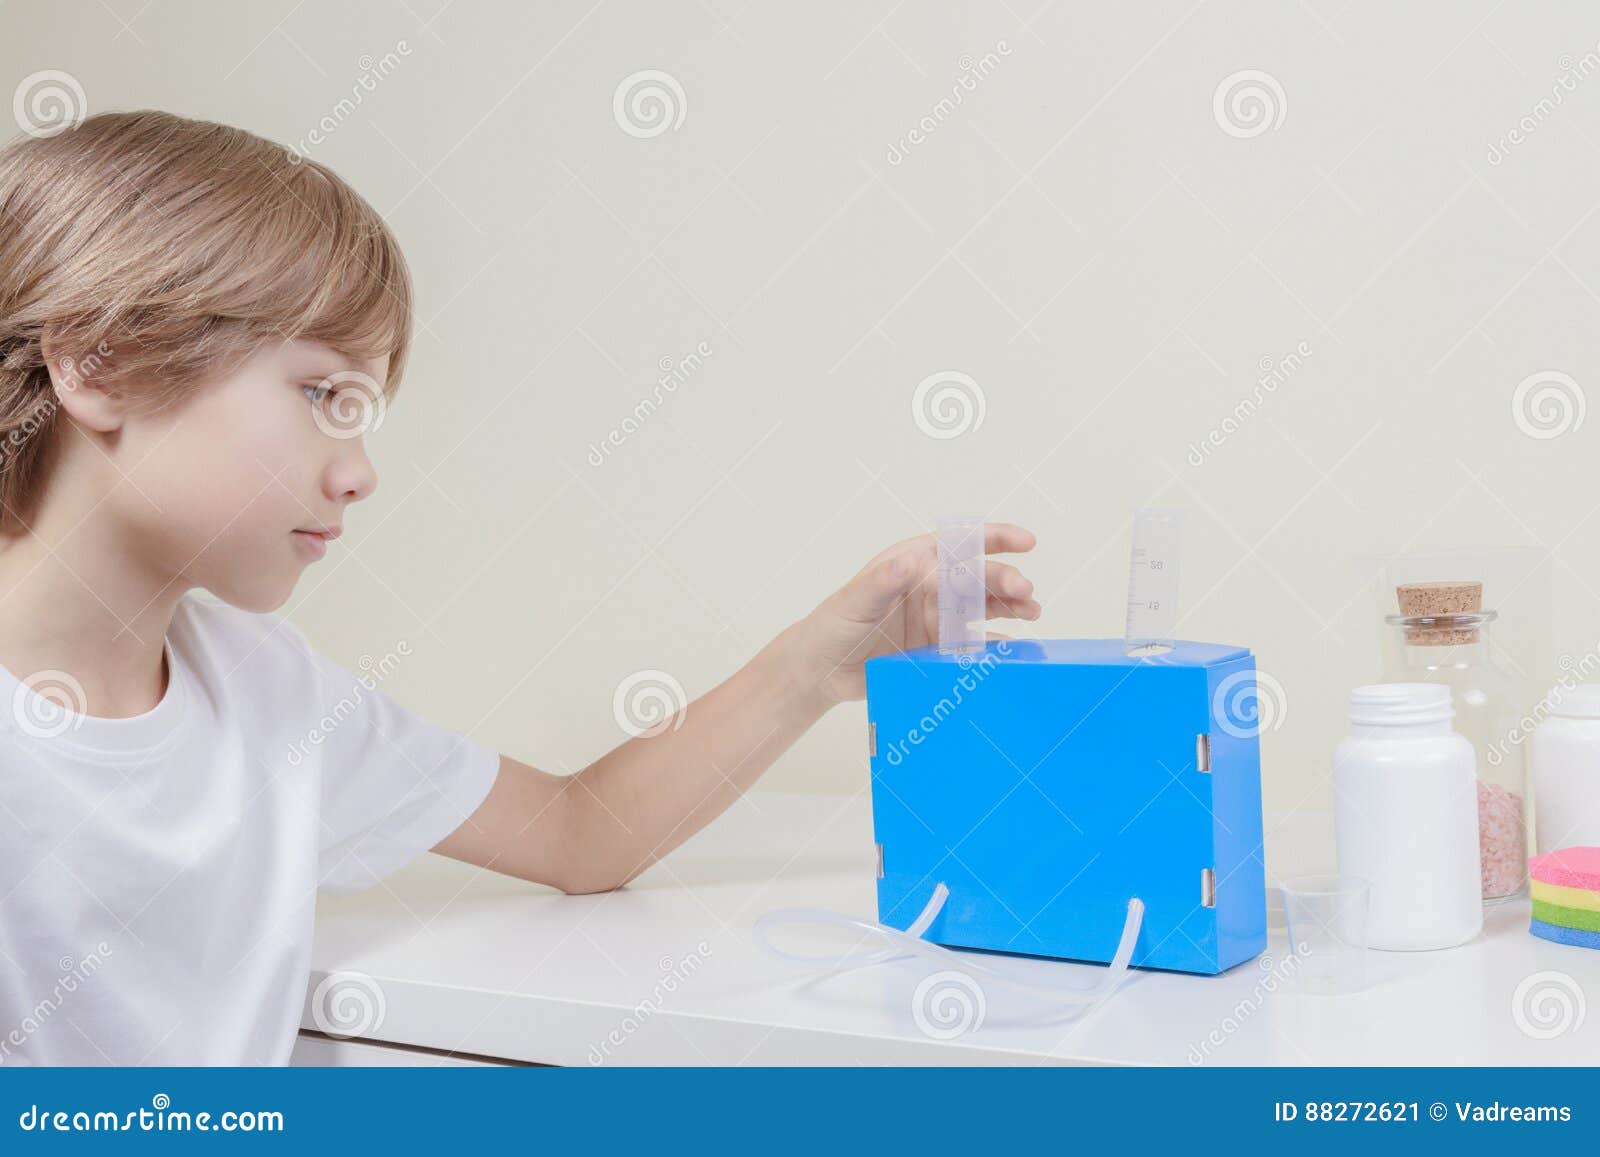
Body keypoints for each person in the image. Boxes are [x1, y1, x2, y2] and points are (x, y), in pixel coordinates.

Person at [0, 110, 1040, 1064]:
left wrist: (813, 663)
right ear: (100, 363)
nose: (358, 471)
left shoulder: (266, 695)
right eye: (320, 391)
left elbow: (578, 831)